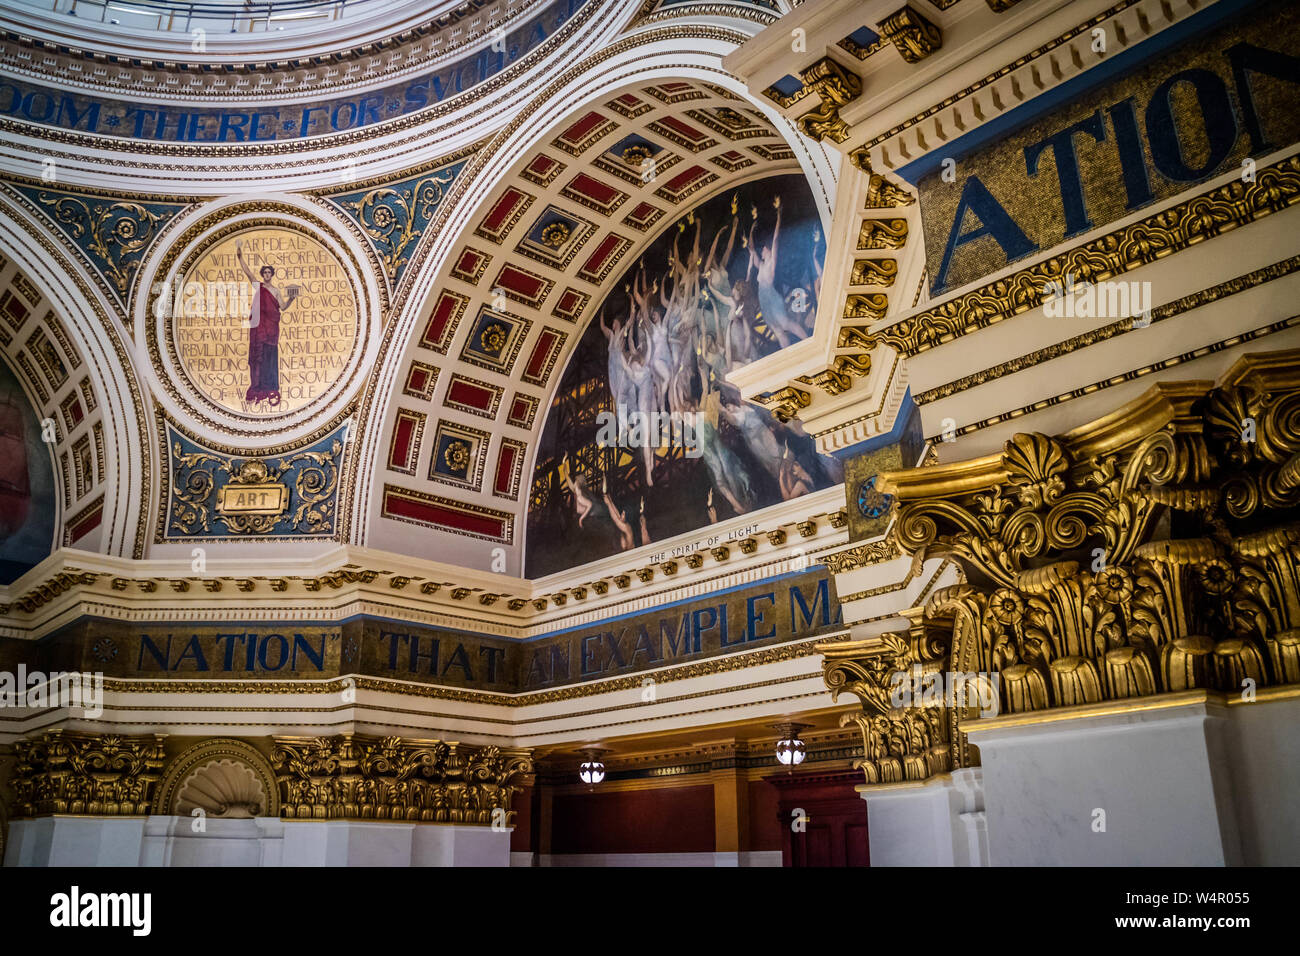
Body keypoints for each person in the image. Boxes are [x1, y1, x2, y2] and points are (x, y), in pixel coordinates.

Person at [236, 238, 299, 406]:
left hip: (271, 329)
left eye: (269, 273)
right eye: (264, 273)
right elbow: (248, 272)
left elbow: (283, 307)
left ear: (272, 274)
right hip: (260, 329)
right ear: (263, 274)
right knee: (259, 357)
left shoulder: (276, 291)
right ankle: (258, 387)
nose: (266, 275)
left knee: (270, 357)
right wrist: (239, 255)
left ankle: (270, 386)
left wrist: (292, 299)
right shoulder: (259, 286)